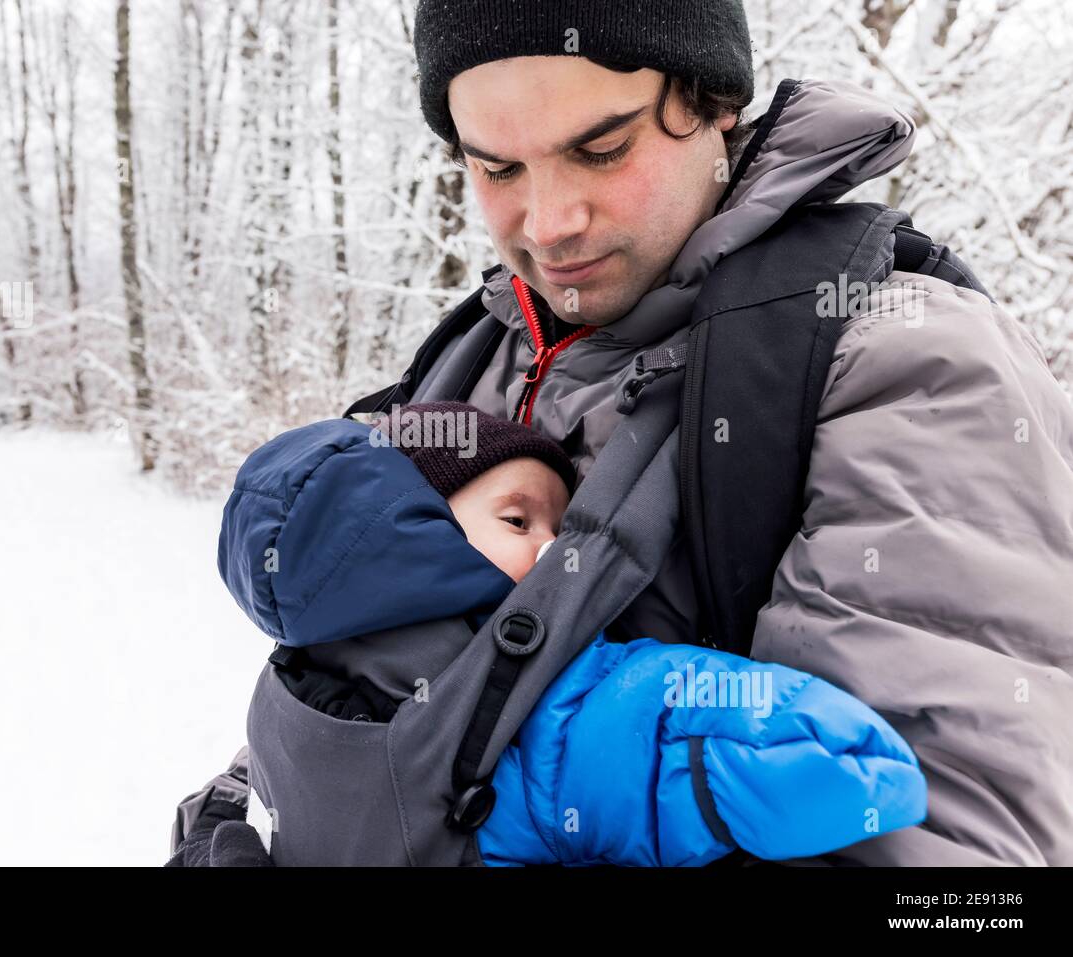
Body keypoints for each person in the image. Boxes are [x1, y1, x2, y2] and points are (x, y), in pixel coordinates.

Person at [173, 0, 1073, 867]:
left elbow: (953, 863)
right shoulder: (472, 358)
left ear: (714, 106)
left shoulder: (901, 362)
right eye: (497, 168)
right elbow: (362, 677)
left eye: (600, 149)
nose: (549, 223)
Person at [176, 401, 926, 866]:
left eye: (560, 527)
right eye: (516, 519)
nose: (550, 550)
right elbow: (644, 727)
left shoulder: (289, 676)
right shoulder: (529, 702)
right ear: (409, 527)